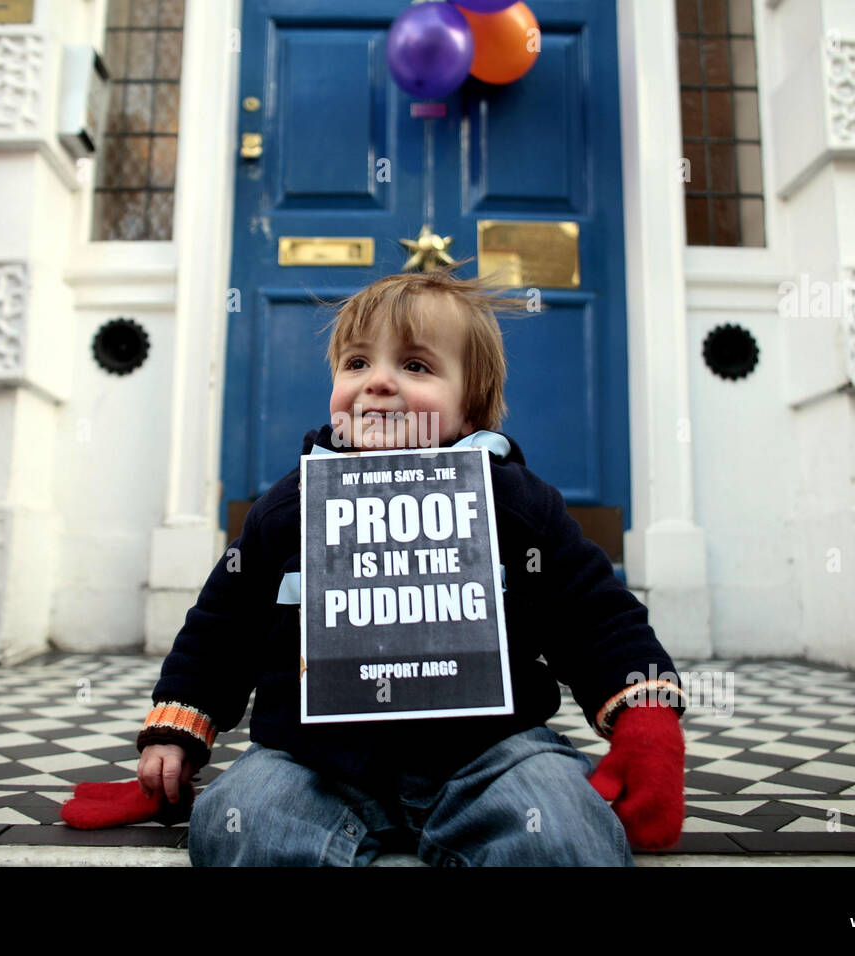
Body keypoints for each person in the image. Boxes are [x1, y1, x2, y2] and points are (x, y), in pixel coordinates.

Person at [134, 267, 687, 866]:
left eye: (416, 366)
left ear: (470, 410)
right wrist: (178, 728)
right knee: (238, 825)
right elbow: (222, 622)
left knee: (562, 830)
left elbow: (595, 613)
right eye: (356, 363)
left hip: (491, 755)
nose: (378, 383)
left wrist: (645, 717)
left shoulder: (516, 503)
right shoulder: (291, 506)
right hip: (314, 762)